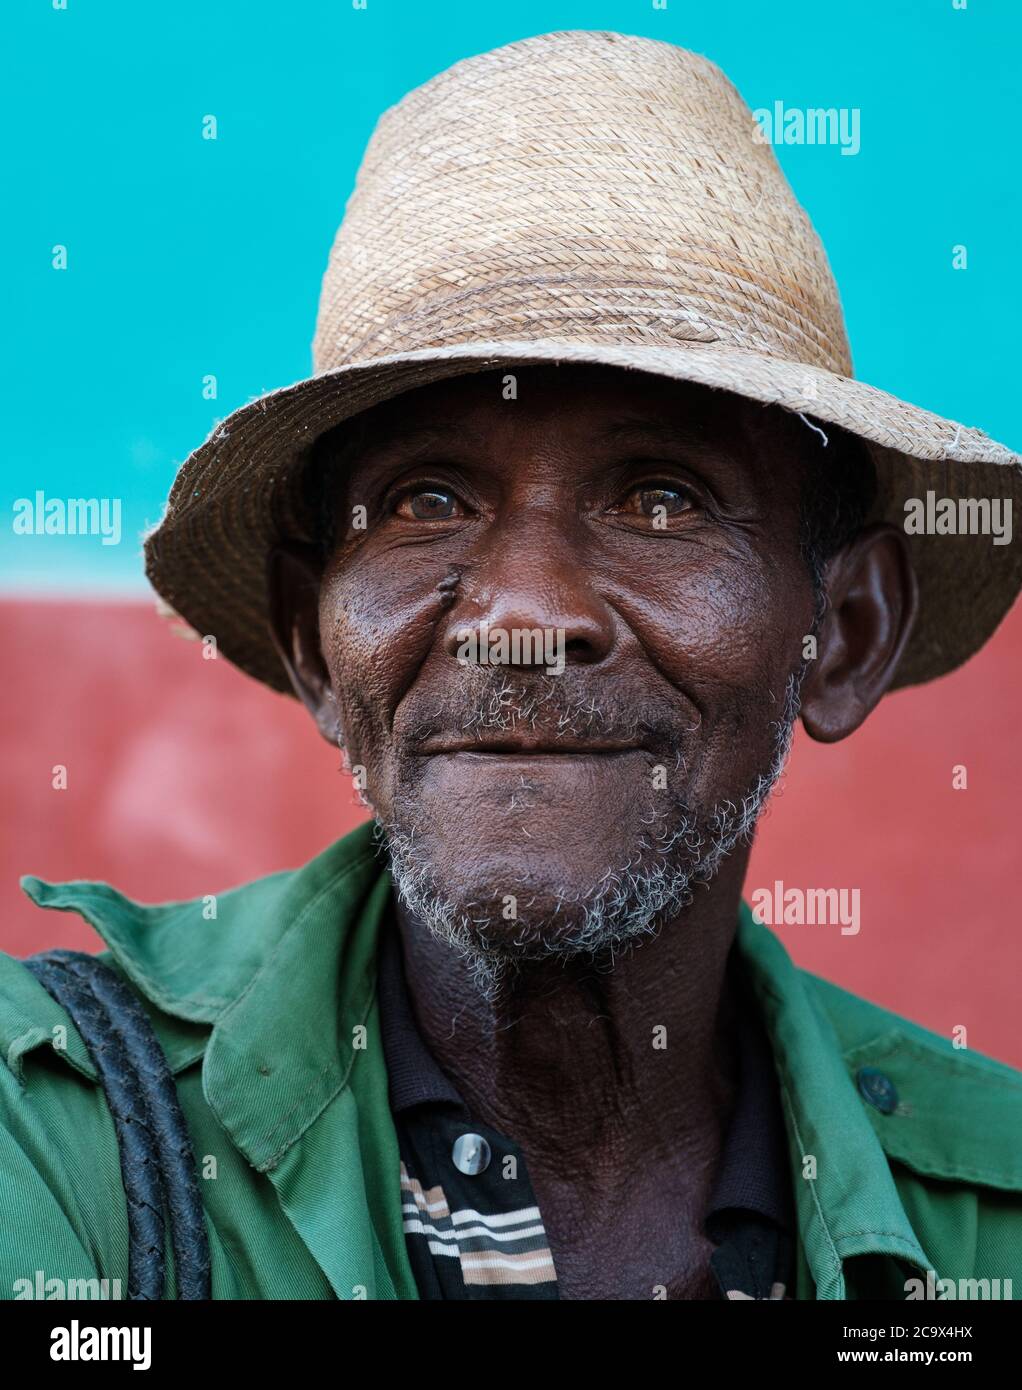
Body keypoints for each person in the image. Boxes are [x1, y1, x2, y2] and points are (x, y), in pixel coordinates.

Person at [3, 30, 1021, 1302]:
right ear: (310, 637)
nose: (523, 615)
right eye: (424, 501)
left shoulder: (991, 1213)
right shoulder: (55, 1128)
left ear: (845, 632)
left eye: (660, 499)